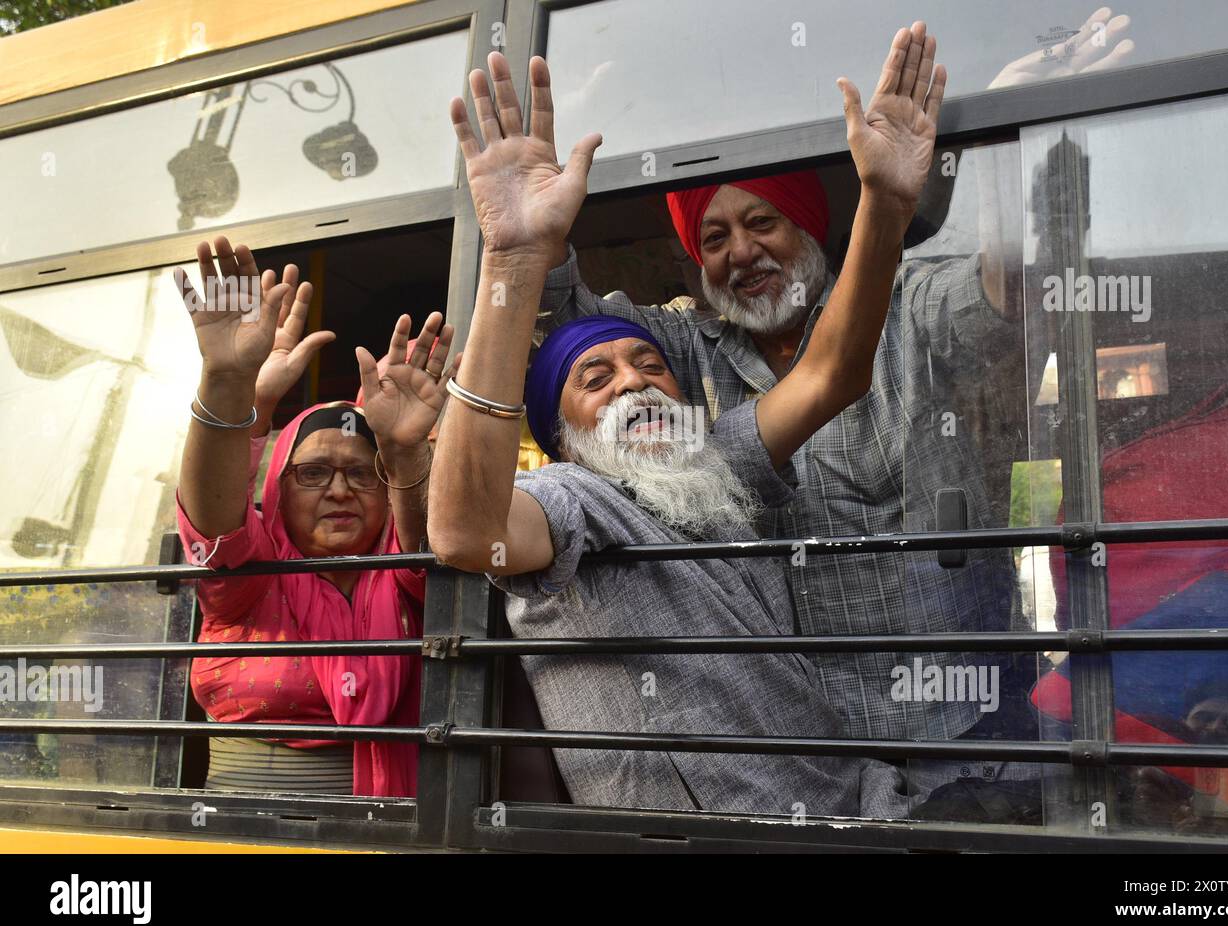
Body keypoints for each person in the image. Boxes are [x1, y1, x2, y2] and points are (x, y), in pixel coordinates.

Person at [429, 28, 943, 814]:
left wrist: (885, 203)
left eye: (651, 365)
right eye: (595, 378)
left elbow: (834, 373)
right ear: (562, 437)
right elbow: (465, 533)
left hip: (871, 806)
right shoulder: (574, 501)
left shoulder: (714, 457)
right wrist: (512, 260)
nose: (634, 383)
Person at [174, 236, 454, 796]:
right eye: (312, 474)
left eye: (361, 473)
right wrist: (230, 385)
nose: (339, 491)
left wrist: (402, 452)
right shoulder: (250, 578)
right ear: (275, 493)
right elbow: (210, 516)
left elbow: (425, 540)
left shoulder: (408, 572)